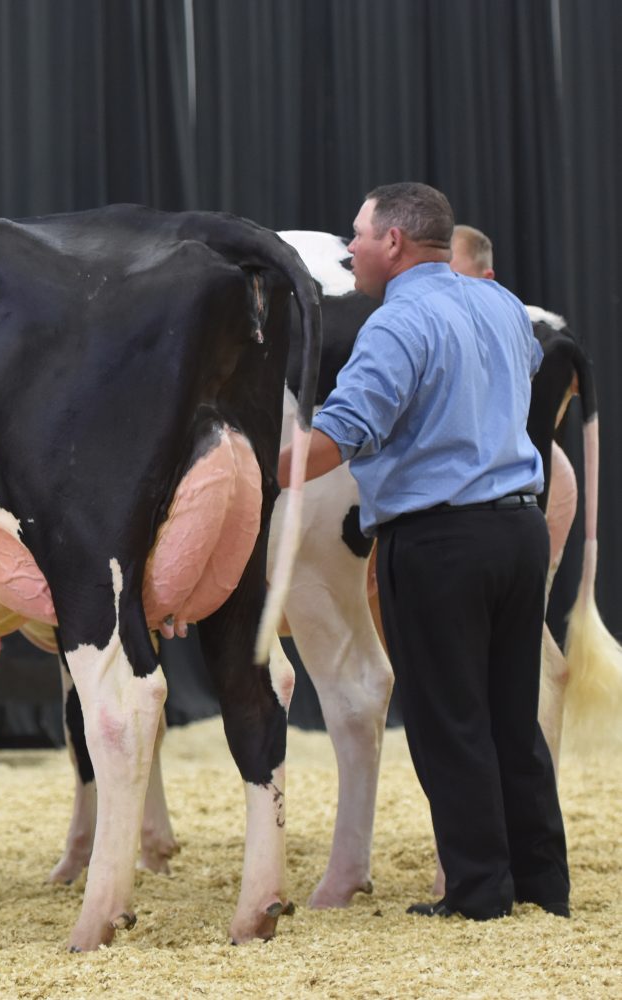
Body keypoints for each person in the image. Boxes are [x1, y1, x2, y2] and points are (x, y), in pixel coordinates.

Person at [280, 182, 569, 920]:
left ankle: (478, 894)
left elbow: (340, 436)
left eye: (359, 235)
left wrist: (248, 469)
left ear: (396, 243)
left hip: (439, 539)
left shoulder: (395, 323)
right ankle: (543, 886)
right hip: (519, 531)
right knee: (513, 718)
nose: (349, 249)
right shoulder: (501, 305)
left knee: (450, 720)